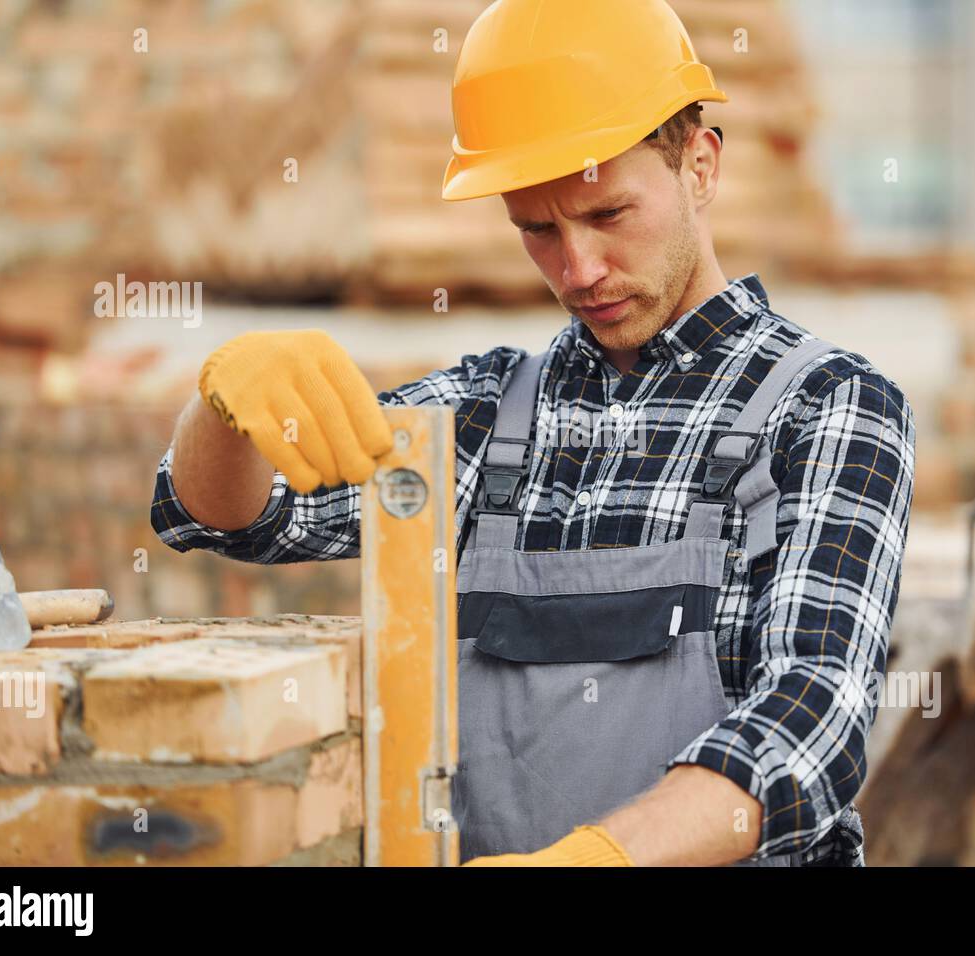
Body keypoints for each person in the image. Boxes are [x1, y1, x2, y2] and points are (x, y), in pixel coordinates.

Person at [151, 0, 916, 867]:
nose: (578, 270)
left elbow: (811, 725)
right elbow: (230, 517)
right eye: (537, 230)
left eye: (609, 215)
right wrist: (222, 410)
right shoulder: (487, 417)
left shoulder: (828, 407)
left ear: (699, 167)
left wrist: (600, 858)